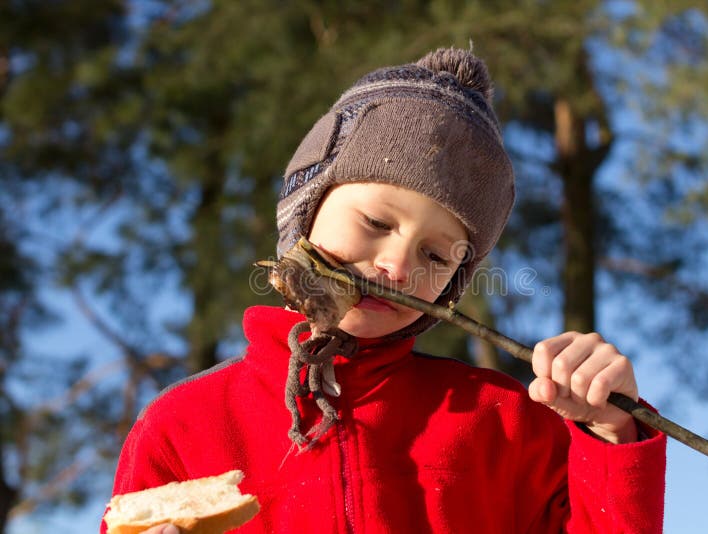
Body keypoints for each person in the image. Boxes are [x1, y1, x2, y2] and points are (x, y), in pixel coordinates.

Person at [103, 47, 666, 533]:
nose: (398, 266)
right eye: (375, 223)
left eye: (436, 255)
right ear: (305, 212)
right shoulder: (184, 423)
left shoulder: (504, 421)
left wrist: (612, 432)